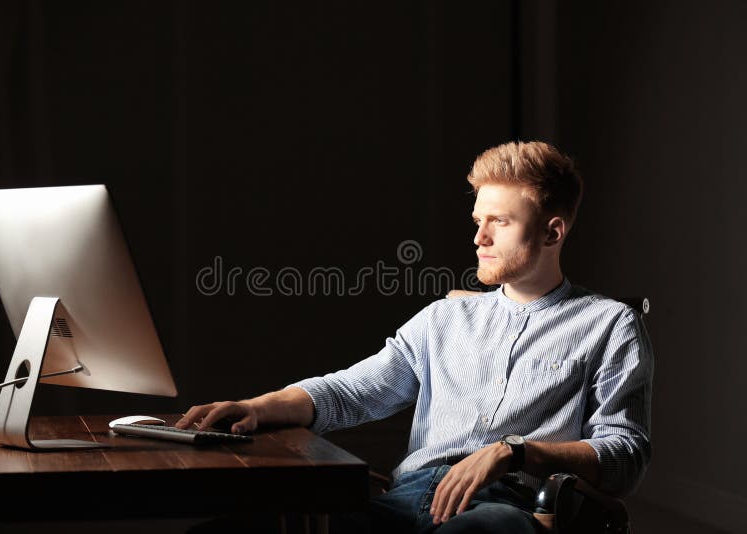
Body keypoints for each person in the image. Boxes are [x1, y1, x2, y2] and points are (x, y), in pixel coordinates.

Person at [177, 141, 653, 533]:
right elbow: (352, 392)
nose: (478, 239)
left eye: (499, 223)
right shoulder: (443, 321)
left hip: (505, 508)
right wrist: (258, 407)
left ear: (552, 233)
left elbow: (625, 454)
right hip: (403, 502)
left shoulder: (609, 325)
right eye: (477, 222)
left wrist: (514, 453)